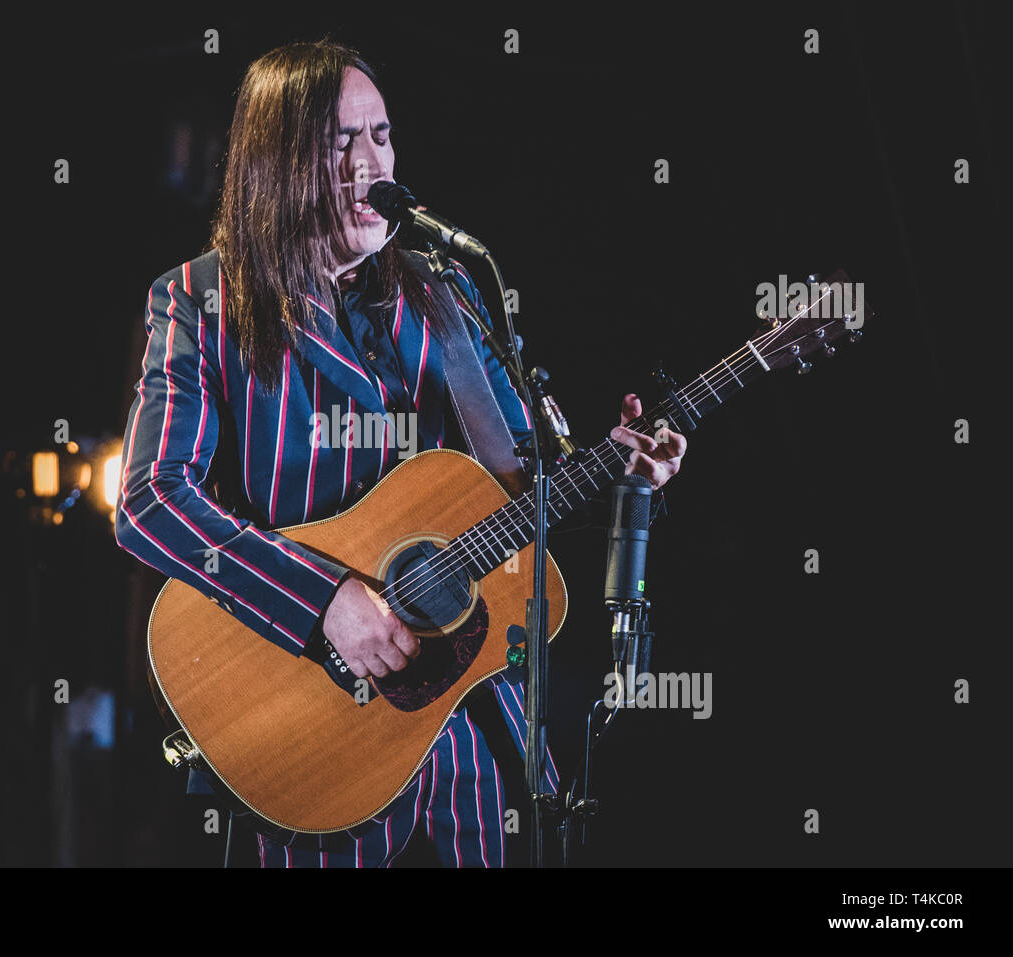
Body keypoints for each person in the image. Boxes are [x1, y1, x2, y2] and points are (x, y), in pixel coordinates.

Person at [115, 39, 687, 867]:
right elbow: (149, 500)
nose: (369, 161)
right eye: (340, 140)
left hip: (473, 737)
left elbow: (526, 478)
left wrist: (626, 467)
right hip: (312, 743)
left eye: (380, 134)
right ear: (276, 161)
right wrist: (325, 598)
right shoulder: (202, 301)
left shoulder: (445, 296)